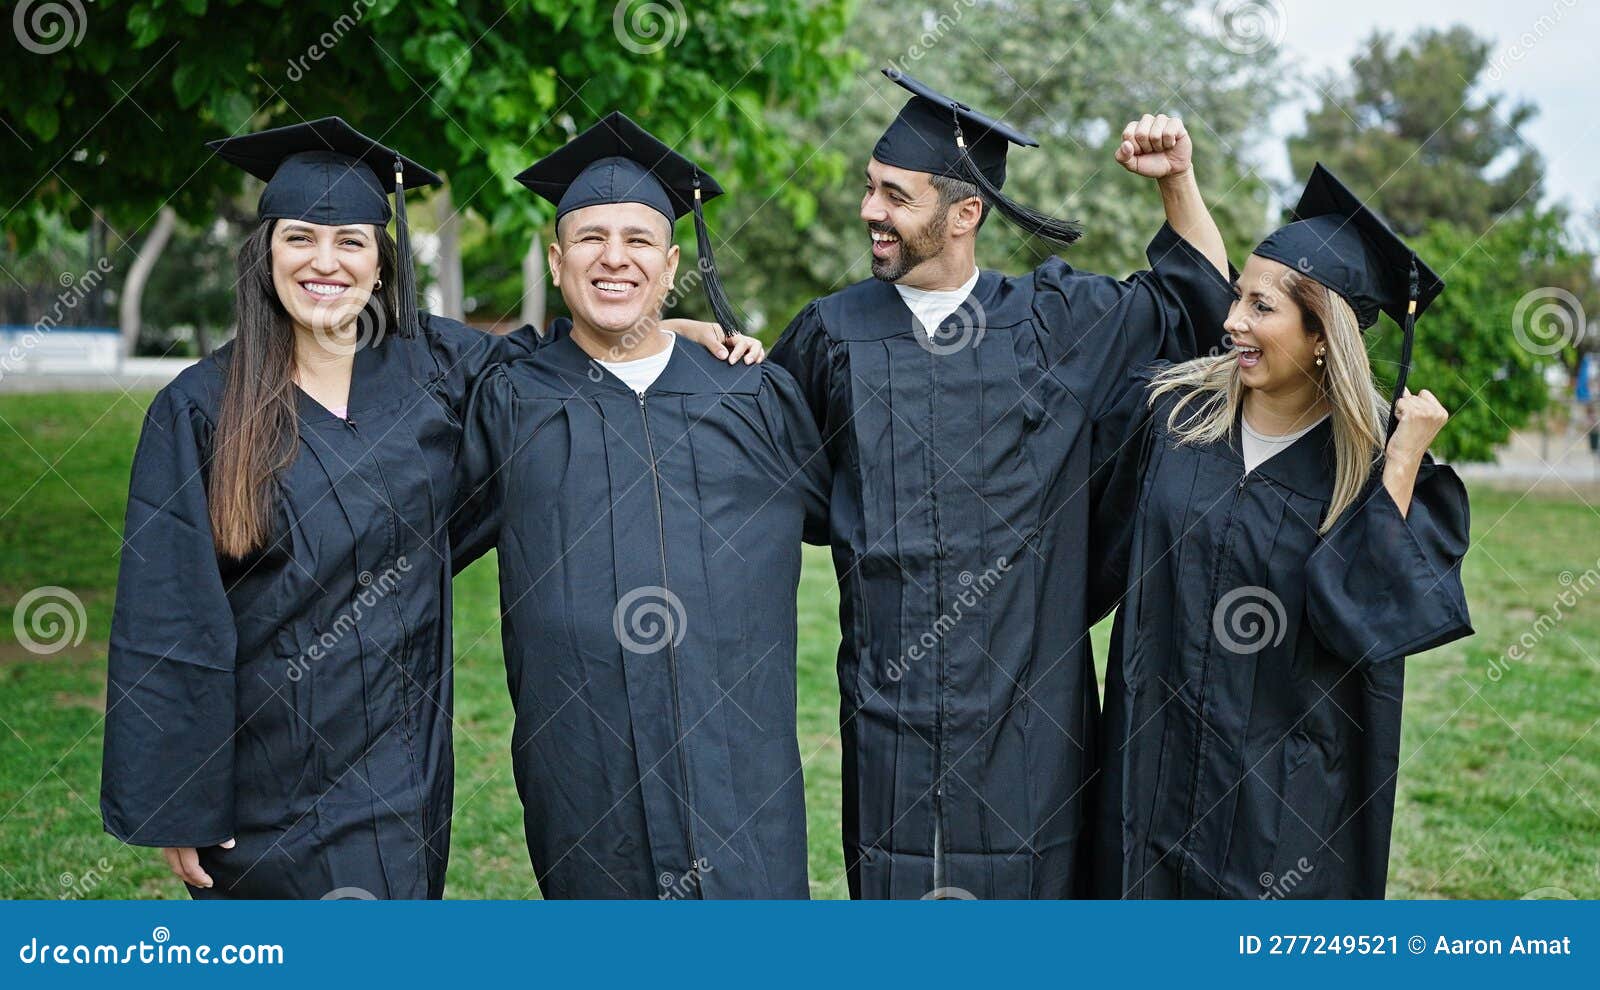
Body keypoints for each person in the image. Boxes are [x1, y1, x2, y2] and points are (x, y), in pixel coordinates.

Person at [98, 117, 762, 899]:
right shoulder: (202, 407)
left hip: (400, 769)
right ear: (265, 254)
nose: (325, 262)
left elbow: (558, 360)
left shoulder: (438, 368)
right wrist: (182, 797)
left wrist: (671, 329)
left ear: (382, 262)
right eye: (301, 239)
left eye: (351, 240)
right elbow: (169, 613)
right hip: (260, 776)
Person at [763, 69, 1236, 899]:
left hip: (1033, 715)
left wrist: (1178, 184)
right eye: (870, 188)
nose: (870, 210)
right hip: (889, 710)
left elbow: (1195, 307)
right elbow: (770, 466)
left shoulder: (1055, 323)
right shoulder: (830, 334)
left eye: (894, 196)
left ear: (964, 214)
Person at [451, 112, 831, 899]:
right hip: (584, 775)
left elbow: (855, 523)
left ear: (670, 263)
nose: (613, 258)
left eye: (637, 240)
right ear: (557, 261)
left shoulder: (755, 399)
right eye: (590, 238)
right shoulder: (513, 401)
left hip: (738, 773)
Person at [1090, 164, 1474, 899]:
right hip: (1148, 779)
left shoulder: (1375, 476)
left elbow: (1363, 616)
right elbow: (1086, 559)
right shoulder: (1173, 424)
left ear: (1322, 334)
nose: (1232, 318)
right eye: (1237, 296)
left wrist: (1397, 464)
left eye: (1259, 305)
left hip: (1286, 808)